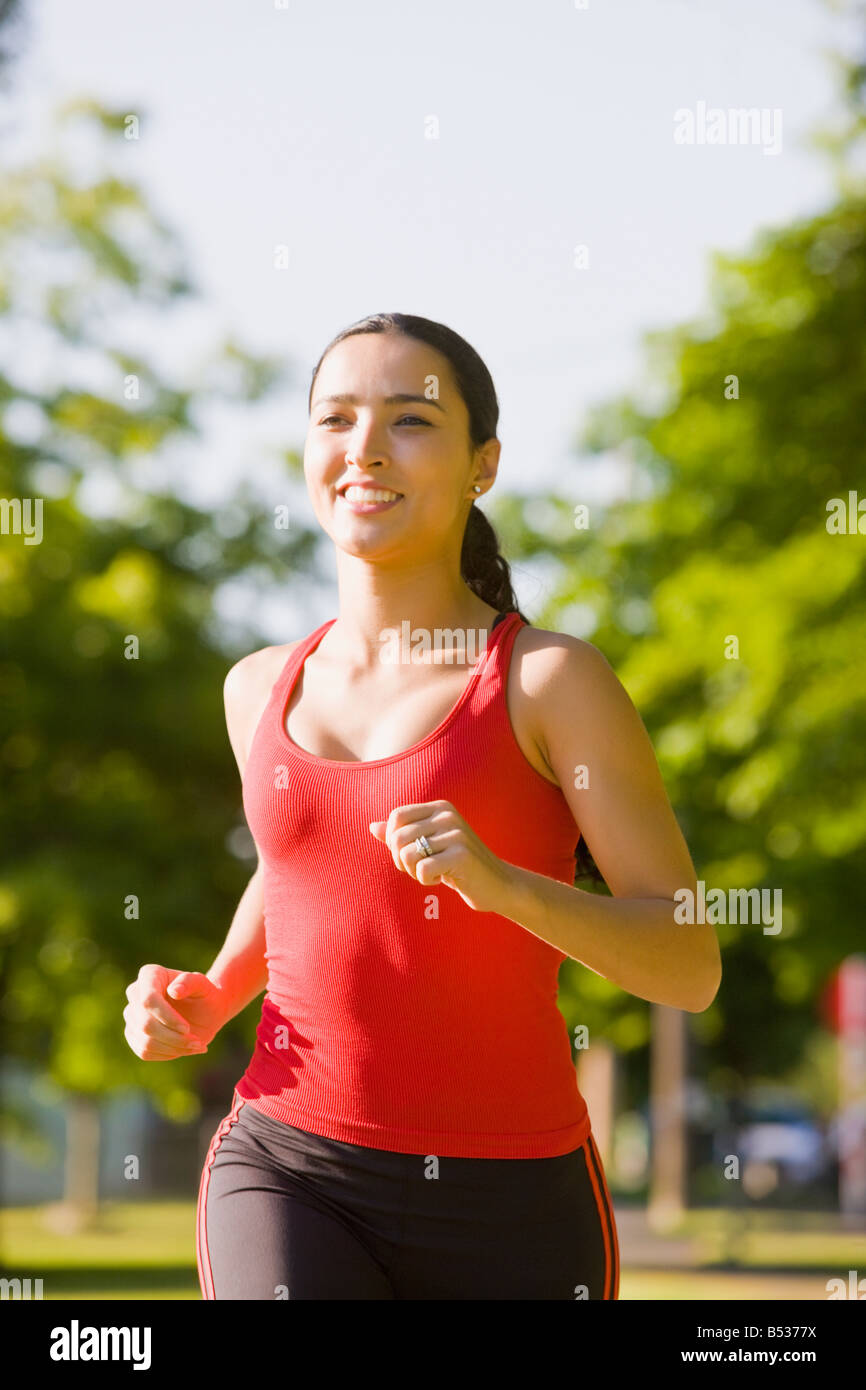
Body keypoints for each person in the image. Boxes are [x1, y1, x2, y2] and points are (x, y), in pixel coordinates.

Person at [123, 312, 720, 1300]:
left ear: (482, 464)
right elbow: (296, 871)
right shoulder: (256, 687)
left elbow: (687, 961)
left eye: (409, 420)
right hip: (288, 1161)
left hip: (513, 1198)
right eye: (334, 419)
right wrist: (216, 990)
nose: (363, 449)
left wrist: (500, 885)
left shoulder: (546, 681)